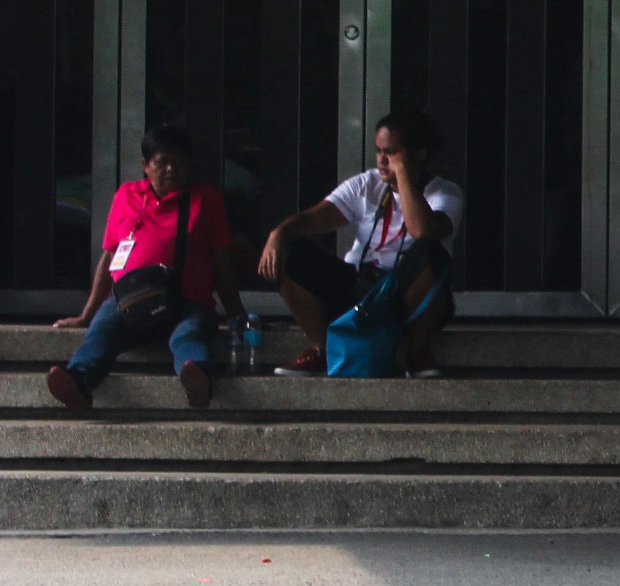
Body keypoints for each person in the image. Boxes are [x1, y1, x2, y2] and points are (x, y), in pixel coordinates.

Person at [45, 122, 243, 413]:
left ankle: (197, 376)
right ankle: (78, 382)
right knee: (102, 330)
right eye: (162, 163)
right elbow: (110, 256)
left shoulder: (206, 199)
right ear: (145, 166)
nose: (172, 170)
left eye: (179, 163)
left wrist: (236, 312)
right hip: (131, 299)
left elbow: (221, 260)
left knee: (187, 336)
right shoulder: (126, 195)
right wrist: (86, 314)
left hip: (189, 299)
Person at [260, 111, 464, 375]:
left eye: (391, 152)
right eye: (378, 151)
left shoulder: (445, 192)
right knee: (291, 251)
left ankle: (417, 353)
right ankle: (322, 349)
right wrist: (279, 234)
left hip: (404, 295)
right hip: (359, 289)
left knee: (431, 251)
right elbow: (312, 220)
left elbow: (422, 230)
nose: (381, 160)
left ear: (418, 154)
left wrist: (402, 175)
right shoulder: (366, 184)